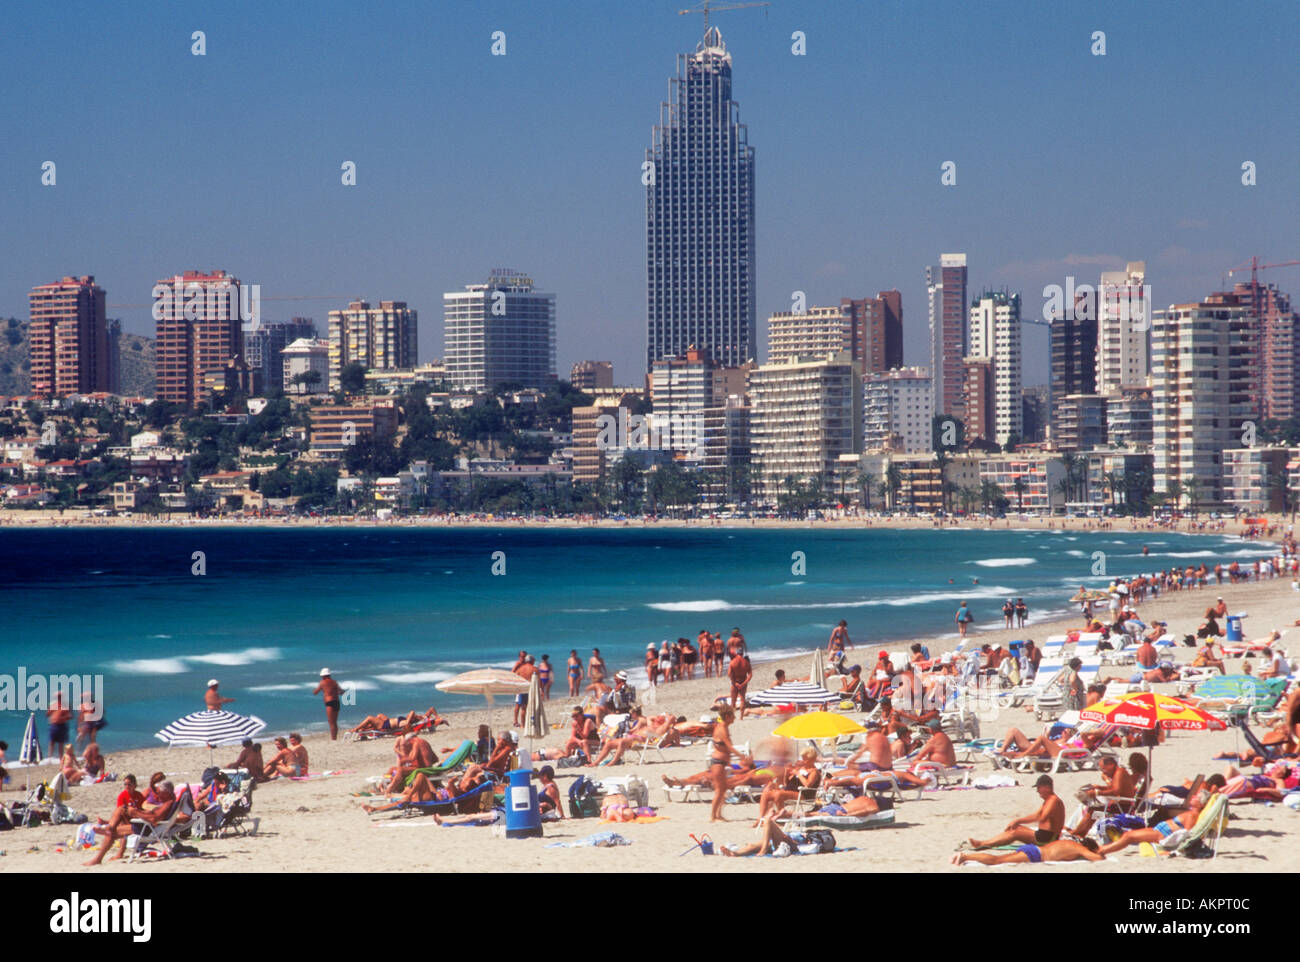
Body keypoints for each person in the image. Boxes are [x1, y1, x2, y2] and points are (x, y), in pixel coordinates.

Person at [85, 779, 182, 866]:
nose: (157, 794)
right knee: (122, 809)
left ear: (166, 792)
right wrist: (140, 812)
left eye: (159, 792)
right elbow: (155, 816)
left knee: (112, 832)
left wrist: (136, 812)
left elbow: (154, 819)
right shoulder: (169, 802)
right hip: (147, 825)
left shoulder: (168, 804)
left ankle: (99, 855)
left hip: (146, 828)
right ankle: (109, 827)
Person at [1097, 789, 1208, 855]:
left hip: (1161, 835)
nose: (1192, 796)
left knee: (1128, 836)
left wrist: (1176, 850)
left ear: (1201, 804)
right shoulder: (1190, 813)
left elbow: (1187, 836)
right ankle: (1102, 849)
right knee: (1128, 835)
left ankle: (1101, 851)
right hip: (1158, 830)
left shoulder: (1193, 815)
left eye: (1196, 797)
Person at [967, 775, 1065, 849]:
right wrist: (1017, 821)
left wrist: (1018, 821)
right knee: (1015, 828)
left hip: (1048, 839)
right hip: (1044, 835)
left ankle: (983, 844)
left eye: (1039, 788)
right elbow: (1036, 815)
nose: (1037, 791)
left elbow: (1041, 818)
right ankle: (986, 842)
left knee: (1015, 833)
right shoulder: (1048, 800)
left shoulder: (1053, 801)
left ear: (1047, 787)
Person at [719, 812, 835, 858]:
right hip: (780, 839)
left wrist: (789, 840)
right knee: (751, 847)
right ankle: (734, 853)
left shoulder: (810, 842)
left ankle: (764, 849)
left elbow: (798, 847)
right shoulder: (807, 835)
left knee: (768, 821)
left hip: (785, 844)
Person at [709, 705, 750, 823]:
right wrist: (742, 757)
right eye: (733, 715)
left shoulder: (723, 727)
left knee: (722, 789)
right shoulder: (722, 729)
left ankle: (718, 814)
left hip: (721, 762)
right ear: (727, 716)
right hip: (718, 762)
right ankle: (713, 816)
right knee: (719, 790)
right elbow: (729, 747)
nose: (735, 717)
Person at [953, 837, 1103, 866]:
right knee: (997, 860)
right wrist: (1100, 852)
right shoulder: (1079, 848)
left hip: (1033, 849)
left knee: (1000, 858)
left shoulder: (1070, 841)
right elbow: (1096, 858)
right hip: (1035, 855)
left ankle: (966, 857)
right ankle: (965, 856)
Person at [313, 668, 343, 740]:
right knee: (335, 722)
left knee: (331, 722)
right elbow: (341, 692)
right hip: (336, 702)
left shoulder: (322, 682)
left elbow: (315, 692)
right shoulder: (335, 682)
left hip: (329, 702)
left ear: (323, 676)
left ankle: (333, 739)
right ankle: (335, 738)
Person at [514, 655, 536, 726]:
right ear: (532, 661)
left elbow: (515, 676)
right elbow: (539, 681)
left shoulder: (521, 669)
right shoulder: (534, 669)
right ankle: (530, 723)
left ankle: (523, 725)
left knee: (523, 708)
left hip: (522, 688)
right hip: (531, 689)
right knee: (532, 707)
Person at [47, 694, 71, 758]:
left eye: (60, 696)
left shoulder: (65, 706)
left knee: (61, 743)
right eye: (58, 697)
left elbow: (70, 716)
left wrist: (63, 717)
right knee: (52, 742)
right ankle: (50, 758)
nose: (59, 698)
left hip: (62, 725)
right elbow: (48, 714)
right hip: (54, 725)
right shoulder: (53, 705)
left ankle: (61, 758)